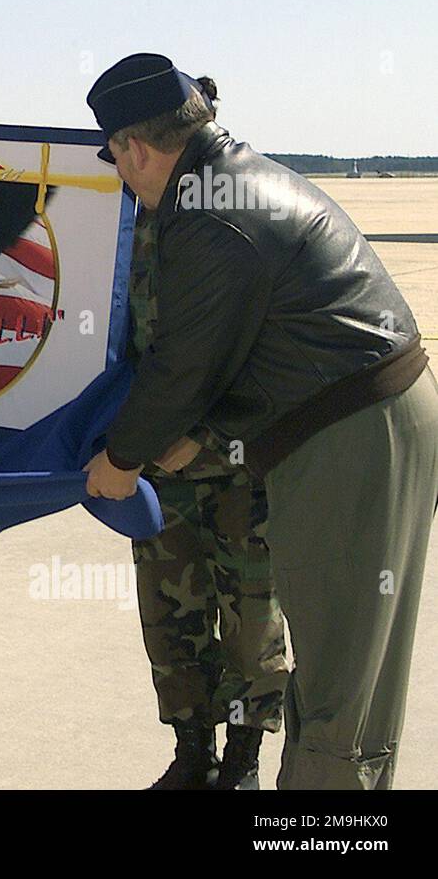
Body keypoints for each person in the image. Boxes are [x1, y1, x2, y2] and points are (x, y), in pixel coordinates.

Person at [84, 53, 438, 789]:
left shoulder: (206, 213)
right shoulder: (228, 179)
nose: (121, 178)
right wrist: (203, 436)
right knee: (343, 681)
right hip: (354, 421)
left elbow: (186, 364)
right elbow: (259, 346)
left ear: (134, 147)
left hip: (353, 434)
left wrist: (120, 460)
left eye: (116, 159)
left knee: (343, 689)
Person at [126, 180, 289, 790]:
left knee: (250, 618)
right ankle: (194, 754)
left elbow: (271, 348)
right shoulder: (127, 231)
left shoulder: (241, 226)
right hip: (159, 471)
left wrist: (211, 434)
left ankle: (243, 763)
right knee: (169, 616)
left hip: (239, 468)